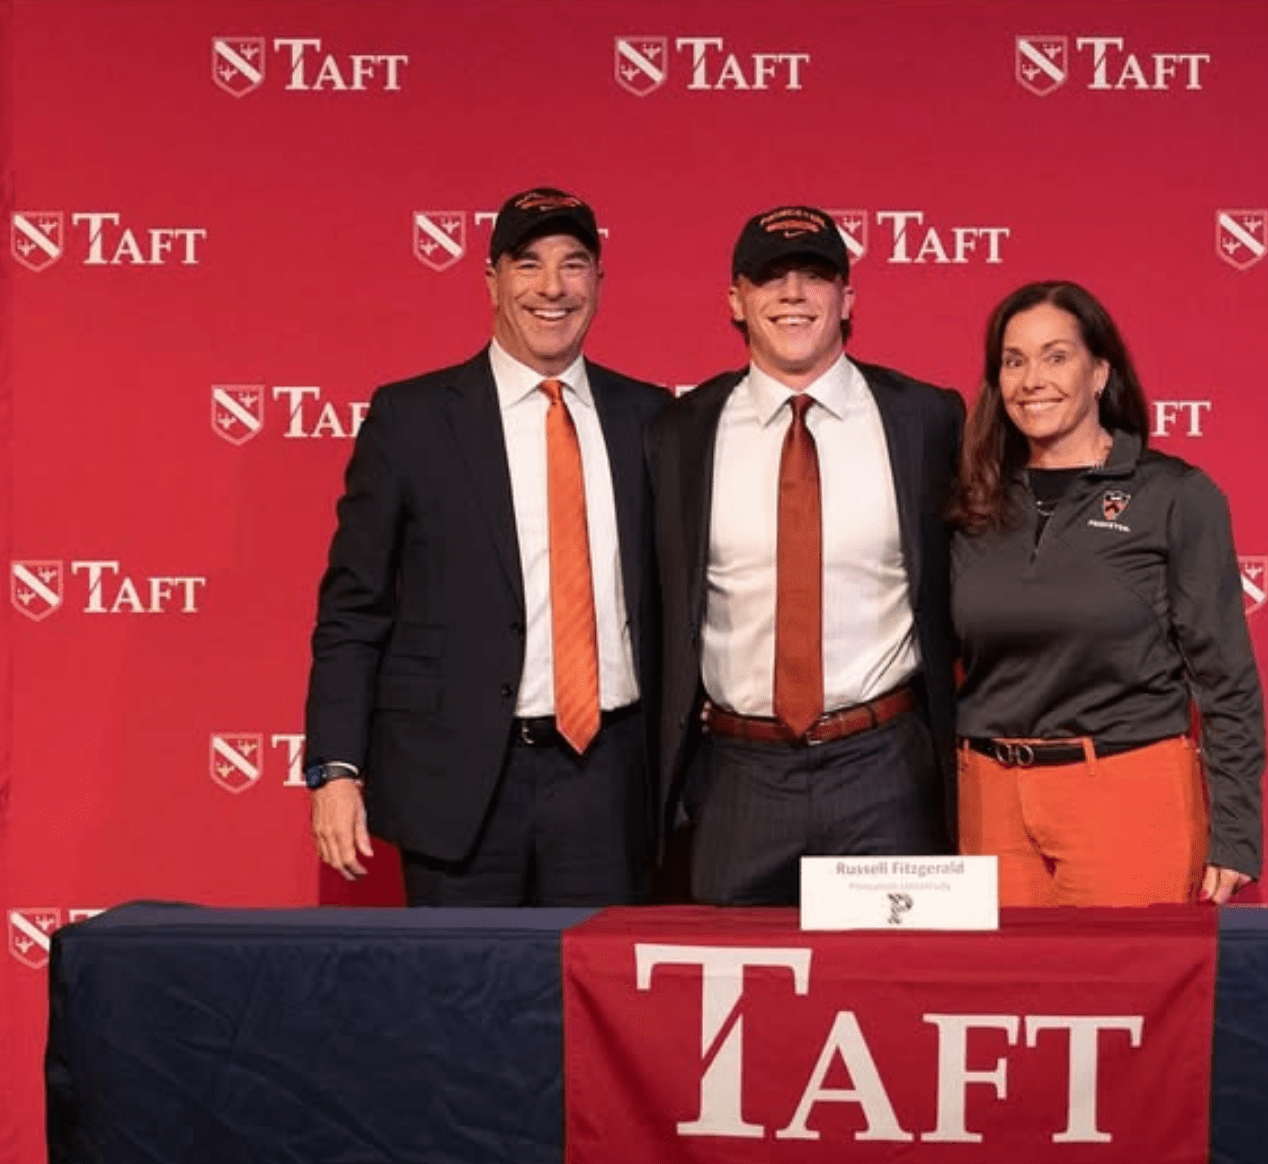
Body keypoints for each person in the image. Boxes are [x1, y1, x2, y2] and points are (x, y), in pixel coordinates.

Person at [303, 186, 666, 906]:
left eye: (573, 264)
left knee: (594, 982)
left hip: (611, 782)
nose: (552, 287)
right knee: (460, 981)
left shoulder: (653, 418)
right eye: (528, 264)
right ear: (492, 280)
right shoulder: (410, 419)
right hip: (458, 783)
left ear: (598, 281)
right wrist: (335, 768)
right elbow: (354, 608)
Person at [647, 205, 964, 905]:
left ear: (847, 298)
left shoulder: (927, 419)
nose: (793, 293)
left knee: (896, 974)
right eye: (770, 277)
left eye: (815, 275)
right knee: (734, 971)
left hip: (886, 769)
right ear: (736, 300)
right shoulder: (678, 433)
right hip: (737, 776)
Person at [950, 280, 1265, 906]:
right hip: (989, 804)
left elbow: (1224, 675)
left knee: (1124, 973)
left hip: (1127, 795)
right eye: (1014, 361)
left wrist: (1235, 829)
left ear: (1099, 373)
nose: (1032, 380)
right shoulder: (972, 501)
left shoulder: (1173, 495)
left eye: (1056, 356)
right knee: (1003, 974)